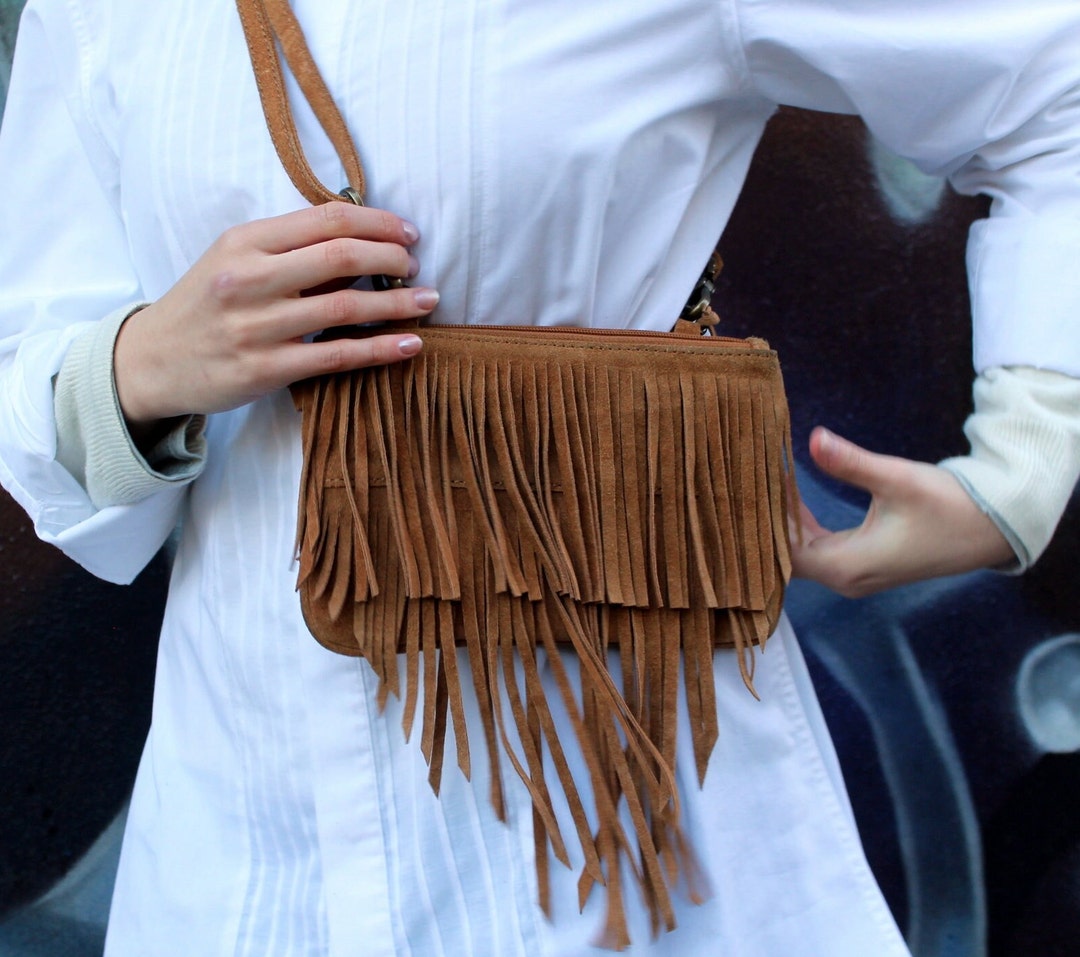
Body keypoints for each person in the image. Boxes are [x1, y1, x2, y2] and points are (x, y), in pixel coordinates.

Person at [1, 0, 1078, 954]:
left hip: (632, 843)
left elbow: (1053, 83)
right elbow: (33, 377)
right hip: (238, 846)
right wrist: (138, 367)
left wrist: (1030, 452)